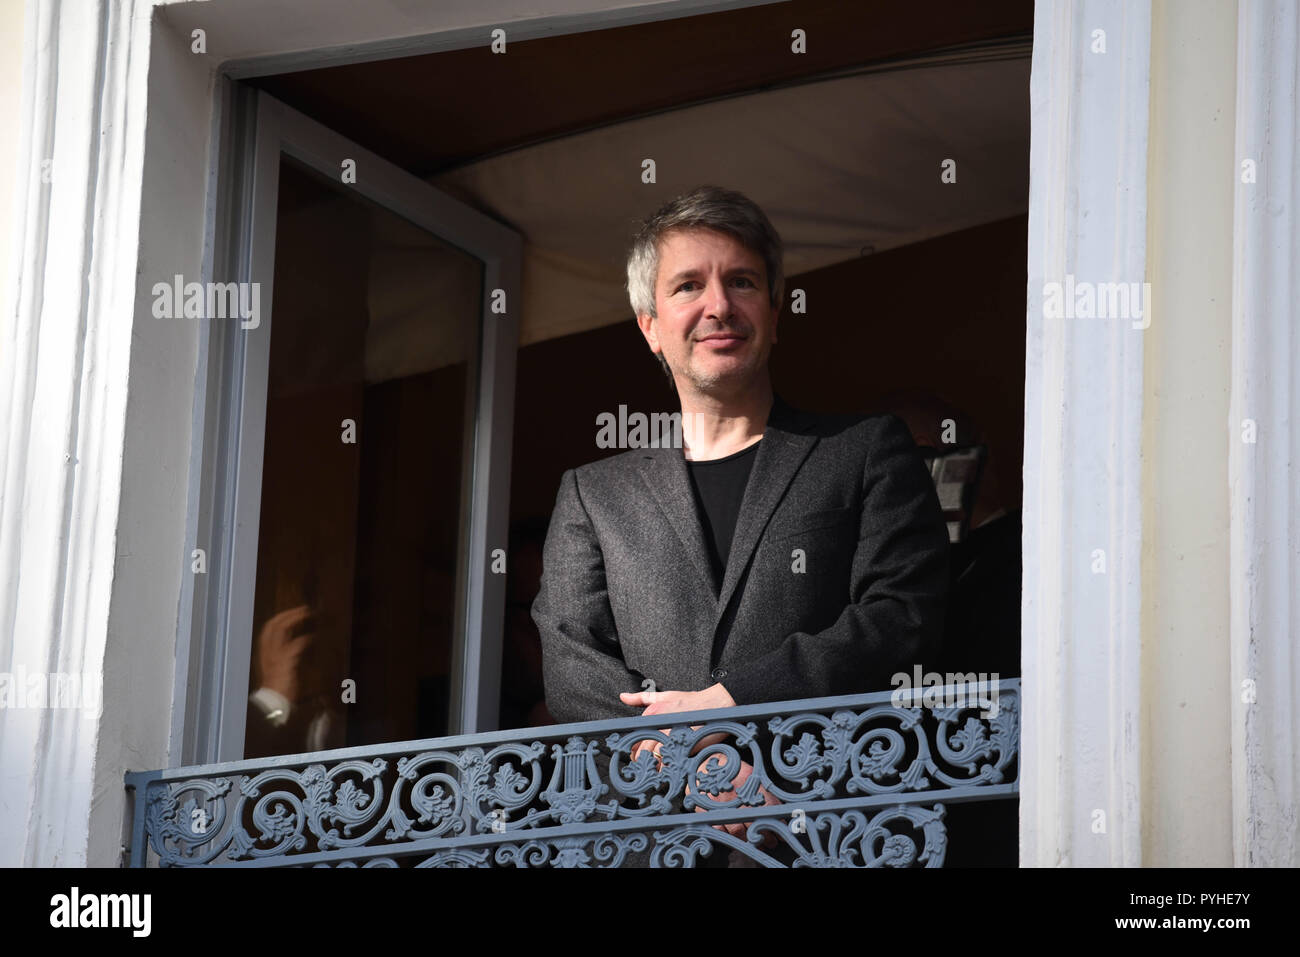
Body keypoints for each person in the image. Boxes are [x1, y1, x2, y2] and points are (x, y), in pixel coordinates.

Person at [530, 185, 950, 866]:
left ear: (776, 313)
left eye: (743, 281)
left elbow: (900, 616)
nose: (718, 305)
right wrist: (695, 766)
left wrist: (726, 702)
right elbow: (571, 663)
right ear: (650, 325)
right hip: (652, 837)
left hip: (831, 828)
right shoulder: (593, 493)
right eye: (689, 285)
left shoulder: (866, 451)